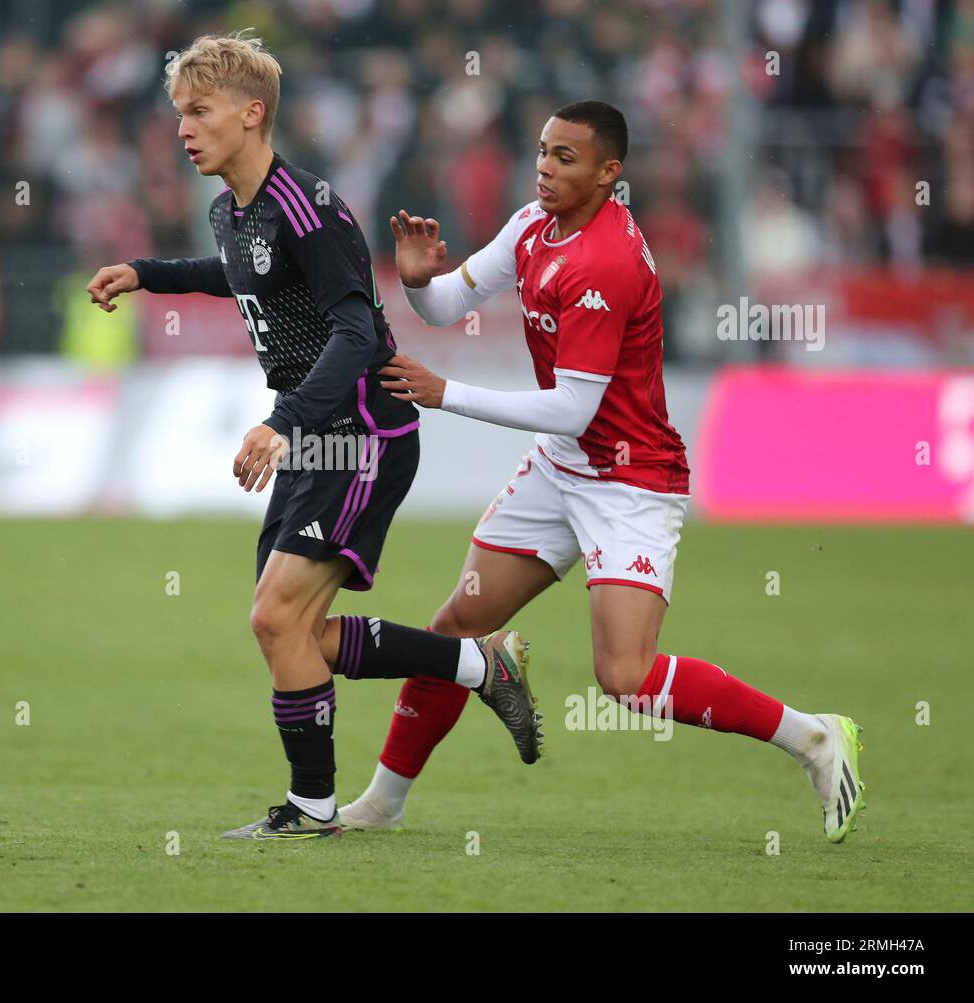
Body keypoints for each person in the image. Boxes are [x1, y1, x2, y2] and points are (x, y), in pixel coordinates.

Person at [339, 100, 866, 844]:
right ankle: (384, 800)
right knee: (458, 624)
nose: (546, 169)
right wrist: (420, 280)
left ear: (608, 173)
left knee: (625, 678)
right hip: (563, 469)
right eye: (544, 153)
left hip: (631, 480)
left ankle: (814, 736)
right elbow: (450, 300)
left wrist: (444, 394)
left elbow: (572, 408)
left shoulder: (606, 262)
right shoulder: (532, 226)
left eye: (566, 159)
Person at [86, 31, 541, 841]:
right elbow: (240, 273)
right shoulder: (233, 208)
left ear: (252, 113)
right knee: (291, 630)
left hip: (360, 425)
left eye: (200, 111)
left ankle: (312, 809)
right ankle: (479, 665)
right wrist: (146, 274)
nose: (184, 129)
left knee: (276, 619)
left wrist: (281, 422)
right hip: (315, 429)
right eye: (179, 114)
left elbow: (360, 332)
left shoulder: (310, 207)